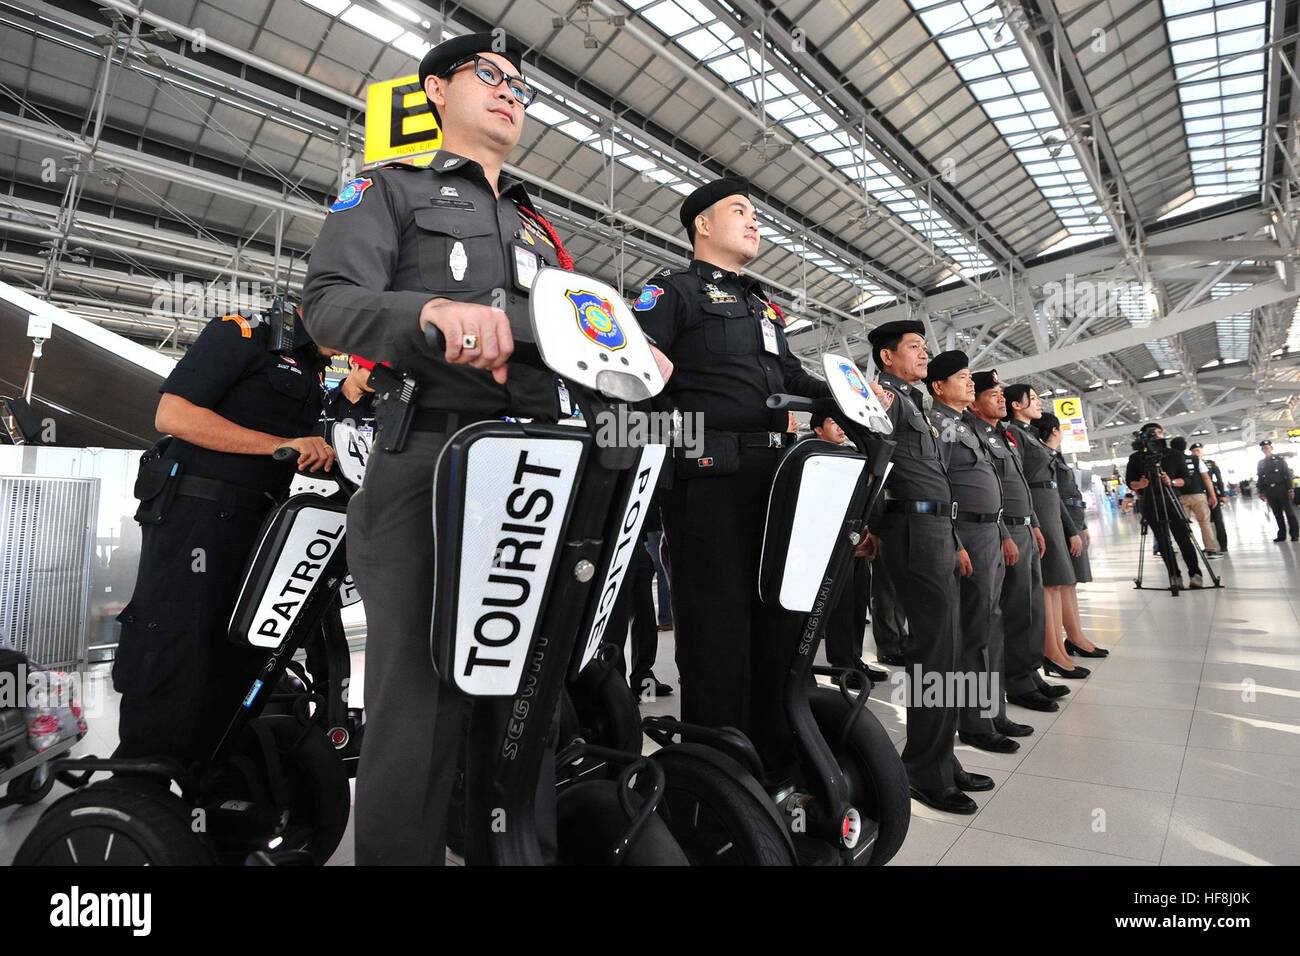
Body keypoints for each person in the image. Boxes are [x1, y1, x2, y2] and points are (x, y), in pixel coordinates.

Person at [301, 32, 586, 865]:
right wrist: (424, 314)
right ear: (434, 90)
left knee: (523, 695)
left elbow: (575, 332)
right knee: (415, 704)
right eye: (489, 76)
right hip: (427, 462)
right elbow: (328, 305)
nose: (509, 94)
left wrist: (631, 351)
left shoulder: (537, 226)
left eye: (520, 87)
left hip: (532, 470)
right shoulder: (386, 190)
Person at [634, 176, 831, 779]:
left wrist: (847, 403)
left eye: (755, 213)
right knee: (717, 628)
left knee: (779, 617)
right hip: (710, 482)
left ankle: (774, 757)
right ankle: (716, 773)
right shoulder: (671, 291)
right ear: (702, 224)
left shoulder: (762, 306)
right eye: (740, 210)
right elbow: (634, 374)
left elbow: (793, 380)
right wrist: (667, 460)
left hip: (778, 477)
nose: (754, 222)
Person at [113, 305, 336, 765]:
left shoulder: (315, 367)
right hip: (196, 512)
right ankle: (139, 783)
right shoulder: (244, 333)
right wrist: (280, 446)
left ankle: (208, 778)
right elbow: (172, 415)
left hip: (258, 522)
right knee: (178, 643)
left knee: (234, 653)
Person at [860, 321, 993, 814]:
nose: (923, 353)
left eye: (923, 346)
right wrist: (868, 525)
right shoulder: (884, 399)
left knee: (950, 647)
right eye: (914, 347)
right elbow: (872, 459)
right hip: (910, 531)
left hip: (938, 529)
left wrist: (956, 539)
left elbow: (934, 475)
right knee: (933, 653)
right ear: (886, 357)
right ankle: (924, 770)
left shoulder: (915, 404)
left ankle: (944, 760)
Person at [925, 351, 1017, 754]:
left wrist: (1002, 532)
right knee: (971, 633)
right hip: (966, 533)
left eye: (969, 377)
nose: (970, 383)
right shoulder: (938, 425)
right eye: (962, 377)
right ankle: (975, 723)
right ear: (938, 386)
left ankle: (992, 709)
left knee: (990, 627)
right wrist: (956, 542)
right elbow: (938, 487)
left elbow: (987, 482)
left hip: (989, 532)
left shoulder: (967, 426)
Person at [968, 371, 1069, 716]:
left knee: (1030, 608)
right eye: (992, 393)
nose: (999, 397)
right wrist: (1006, 534)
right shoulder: (980, 434)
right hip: (1005, 530)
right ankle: (1018, 681)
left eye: (1001, 392)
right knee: (1013, 611)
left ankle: (1030, 672)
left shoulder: (1003, 435)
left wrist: (1035, 524)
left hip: (1025, 527)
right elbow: (989, 493)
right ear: (974, 400)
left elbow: (1020, 486)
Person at [1004, 386, 1087, 681]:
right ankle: (1051, 650)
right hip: (1037, 507)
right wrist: (1034, 521)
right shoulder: (1015, 434)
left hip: (1049, 507)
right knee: (1049, 585)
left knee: (1056, 583)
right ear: (1016, 404)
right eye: (1033, 399)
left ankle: (1059, 648)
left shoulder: (1028, 435)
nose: (1039, 403)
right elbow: (1020, 479)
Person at [809, 412, 887, 685]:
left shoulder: (853, 454)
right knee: (840, 607)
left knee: (856, 603)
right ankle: (842, 665)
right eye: (832, 423)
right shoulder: (815, 457)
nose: (841, 429)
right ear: (818, 429)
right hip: (835, 542)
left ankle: (855, 660)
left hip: (859, 538)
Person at [1037, 413, 1108, 659]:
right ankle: (1072, 639)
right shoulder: (1043, 457)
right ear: (1054, 430)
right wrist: (1071, 529)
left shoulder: (1056, 456)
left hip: (1072, 521)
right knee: (1063, 582)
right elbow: (1054, 496)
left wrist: (1082, 524)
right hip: (1062, 524)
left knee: (1070, 582)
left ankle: (1076, 636)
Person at [1125, 423, 1204, 589]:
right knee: (1162, 541)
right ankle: (1174, 575)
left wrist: (1172, 482)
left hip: (1172, 500)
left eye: (1159, 433)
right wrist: (1140, 484)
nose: (1156, 436)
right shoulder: (1136, 457)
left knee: (1183, 537)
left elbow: (1186, 479)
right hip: (1150, 501)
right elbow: (1130, 482)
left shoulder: (1174, 455)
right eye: (1151, 434)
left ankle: (1195, 573)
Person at [1166, 436, 1219, 555]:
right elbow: (1206, 478)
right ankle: (1211, 549)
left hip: (1179, 496)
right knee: (1204, 522)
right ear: (1185, 447)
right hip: (1198, 494)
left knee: (1182, 525)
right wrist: (1212, 495)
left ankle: (1189, 551)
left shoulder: (1170, 460)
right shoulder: (1195, 459)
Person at [1256, 440, 1298, 542]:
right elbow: (1260, 478)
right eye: (1264, 448)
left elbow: (1287, 475)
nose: (1265, 449)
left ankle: (1294, 534)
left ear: (1271, 448)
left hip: (1282, 489)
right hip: (1270, 491)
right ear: (1262, 450)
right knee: (1277, 514)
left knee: (1289, 513)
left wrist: (1290, 489)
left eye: (1267, 447)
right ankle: (1281, 535)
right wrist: (1261, 491)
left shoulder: (1280, 460)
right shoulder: (1261, 463)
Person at [1191, 442, 1229, 553]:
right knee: (1204, 522)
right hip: (1199, 495)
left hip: (1212, 494)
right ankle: (1209, 546)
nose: (1196, 453)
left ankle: (1223, 545)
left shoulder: (1211, 464)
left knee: (1218, 521)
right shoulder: (1191, 464)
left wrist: (1222, 494)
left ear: (1202, 452)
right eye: (1193, 451)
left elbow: (1219, 479)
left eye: (1198, 450)